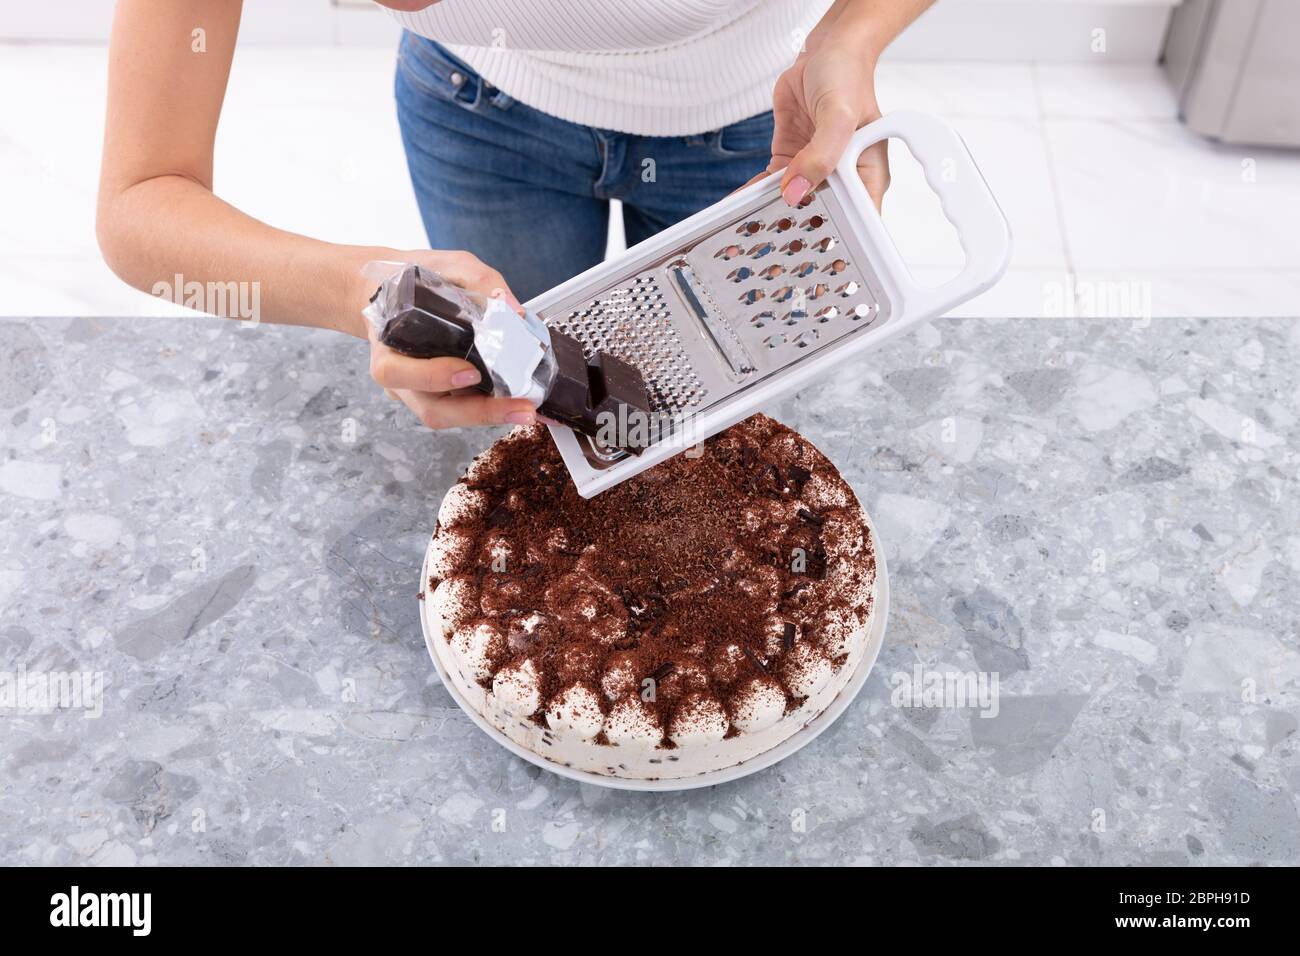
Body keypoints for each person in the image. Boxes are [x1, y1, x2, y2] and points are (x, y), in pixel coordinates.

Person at [97, 0, 933, 430]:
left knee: (715, 419)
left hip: (755, 128)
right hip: (478, 117)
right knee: (549, 412)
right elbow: (141, 202)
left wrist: (847, 41)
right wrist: (364, 293)